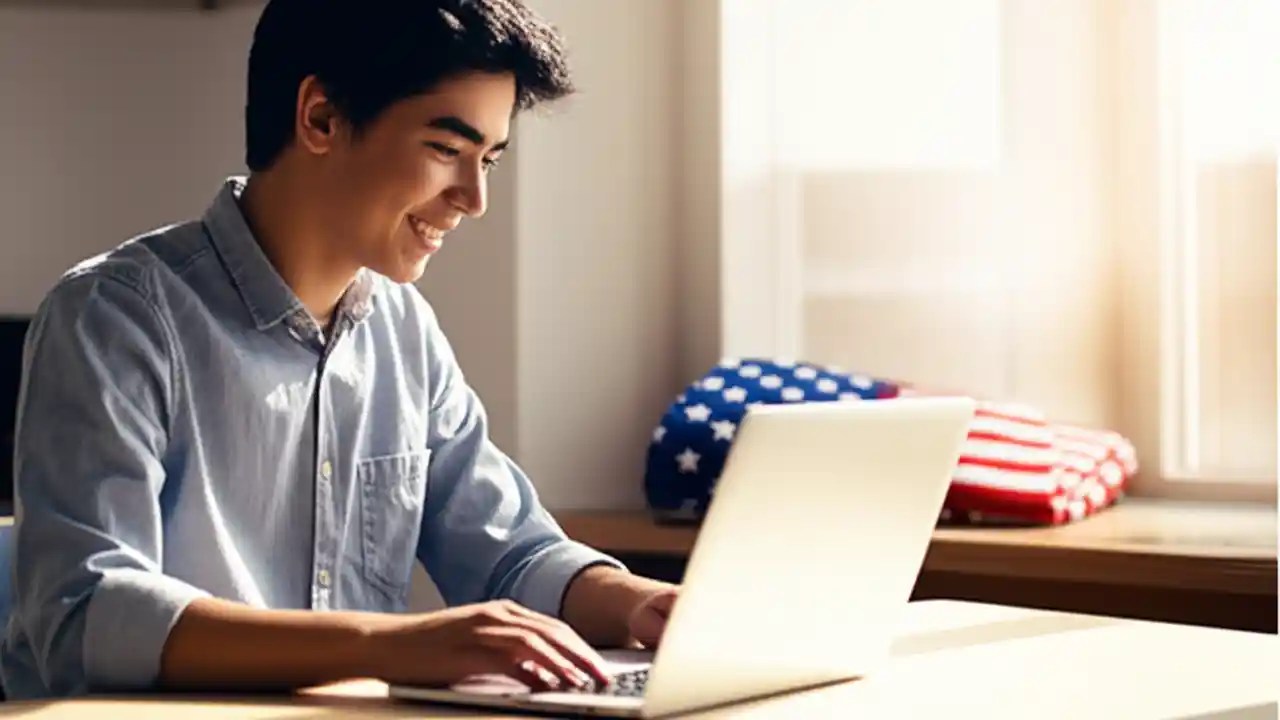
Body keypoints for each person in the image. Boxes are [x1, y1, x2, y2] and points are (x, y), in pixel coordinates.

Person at [1, 0, 677, 700]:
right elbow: (86, 619)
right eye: (447, 150)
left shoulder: (404, 330)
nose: (474, 198)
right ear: (320, 117)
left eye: (490, 160)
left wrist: (635, 601)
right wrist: (392, 645)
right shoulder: (114, 317)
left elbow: (511, 552)